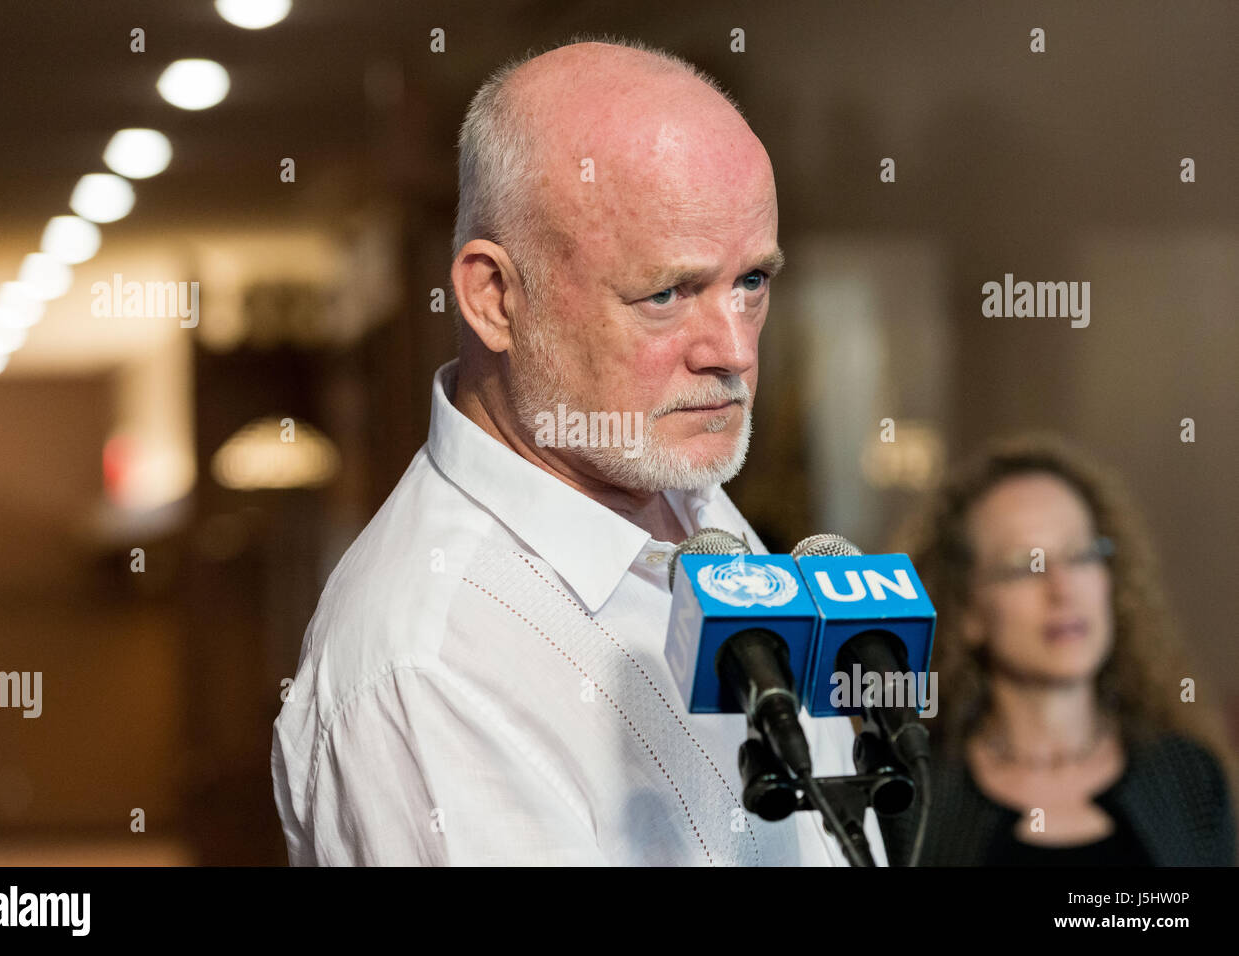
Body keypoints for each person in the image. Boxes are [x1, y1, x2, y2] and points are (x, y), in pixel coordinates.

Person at [270, 37, 889, 865]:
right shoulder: (430, 664)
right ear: (495, 297)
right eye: (666, 294)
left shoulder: (686, 500)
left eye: (752, 283)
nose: (733, 351)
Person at [881, 432, 1236, 865]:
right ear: (967, 609)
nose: (1062, 589)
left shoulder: (1187, 777)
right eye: (1024, 566)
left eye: (1082, 555)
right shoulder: (915, 797)